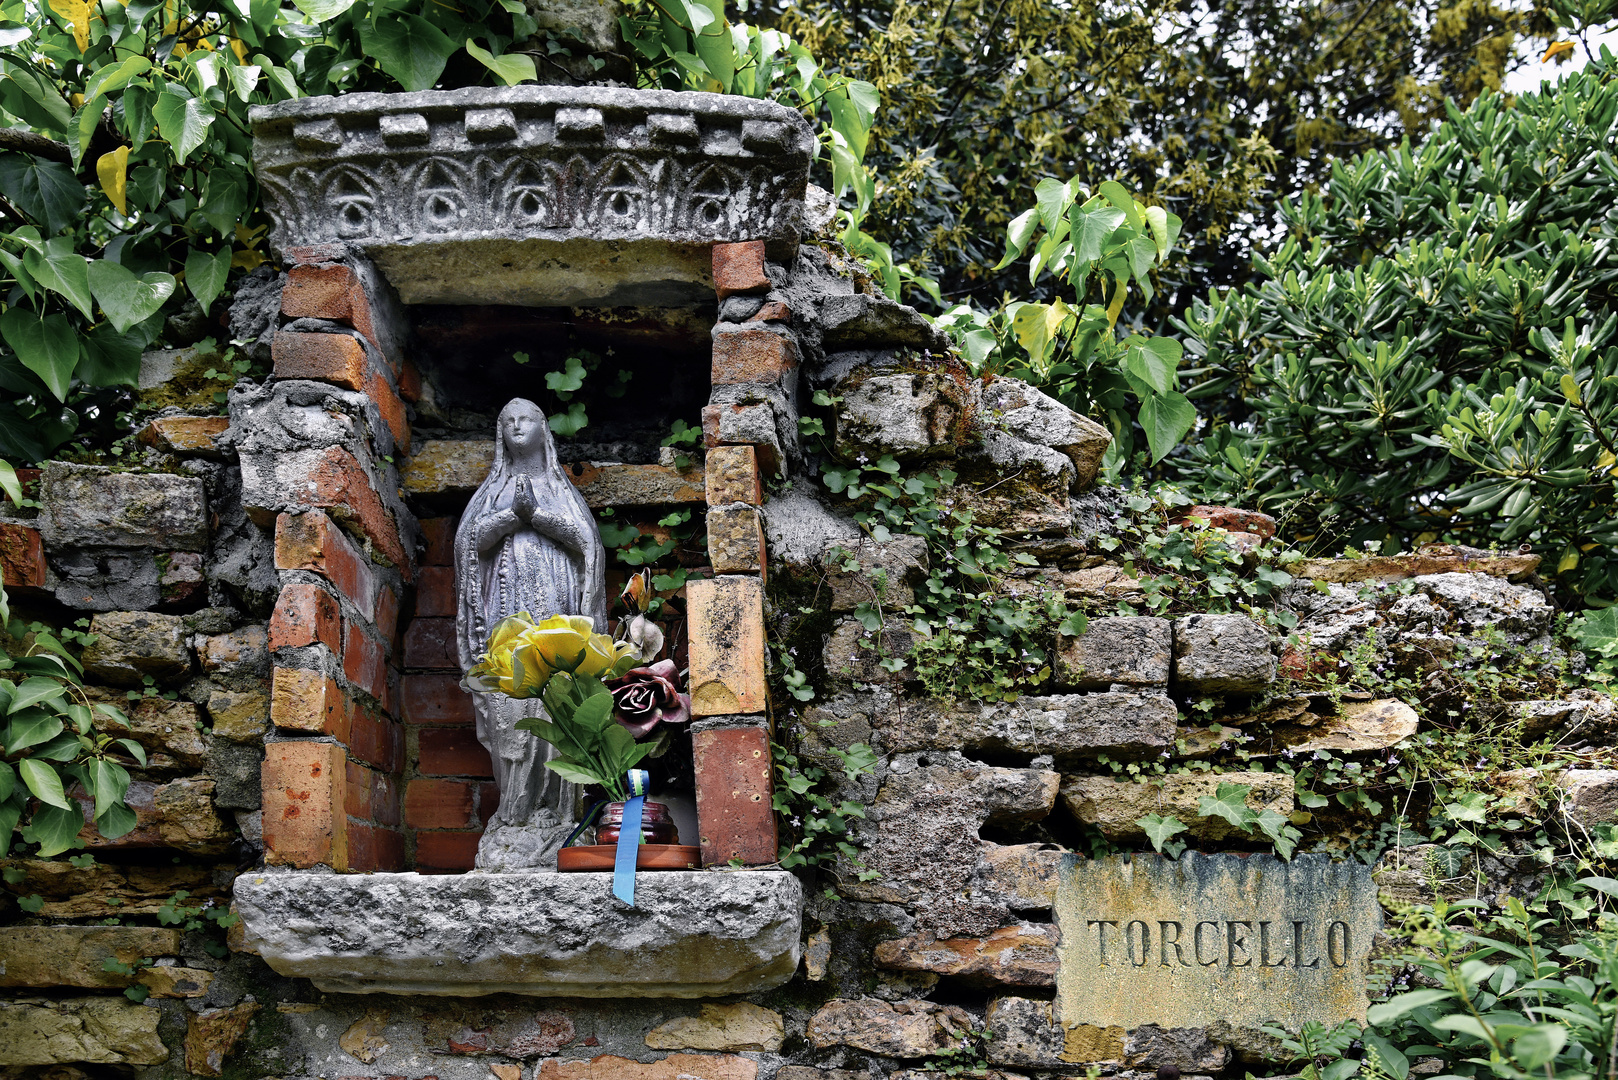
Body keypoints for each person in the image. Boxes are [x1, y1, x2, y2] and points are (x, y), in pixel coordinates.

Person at [453, 397, 607, 870]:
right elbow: (466, 548)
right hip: (506, 622)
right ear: (500, 433)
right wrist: (508, 518)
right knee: (513, 706)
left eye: (527, 420)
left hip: (558, 617)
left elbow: (587, 546)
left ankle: (559, 814)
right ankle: (515, 812)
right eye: (509, 421)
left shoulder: (560, 490)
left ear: (545, 429)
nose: (518, 427)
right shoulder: (491, 492)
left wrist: (538, 516)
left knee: (558, 702)